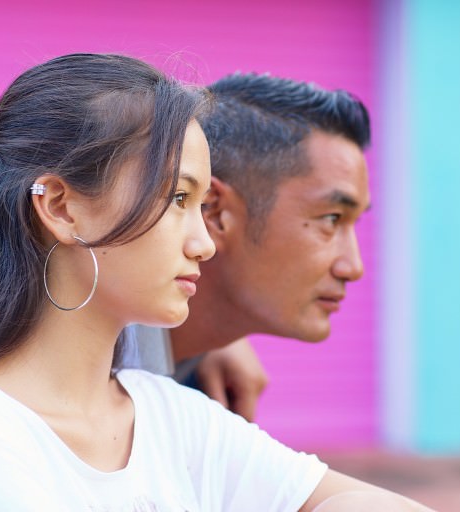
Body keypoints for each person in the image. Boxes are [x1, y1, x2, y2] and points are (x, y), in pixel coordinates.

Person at [0, 53, 432, 511]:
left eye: (197, 203)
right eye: (177, 199)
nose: (205, 244)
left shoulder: (168, 412)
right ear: (61, 207)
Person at [126, 73, 372, 422]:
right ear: (213, 211)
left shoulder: (200, 383)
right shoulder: (80, 370)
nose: (353, 266)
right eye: (331, 219)